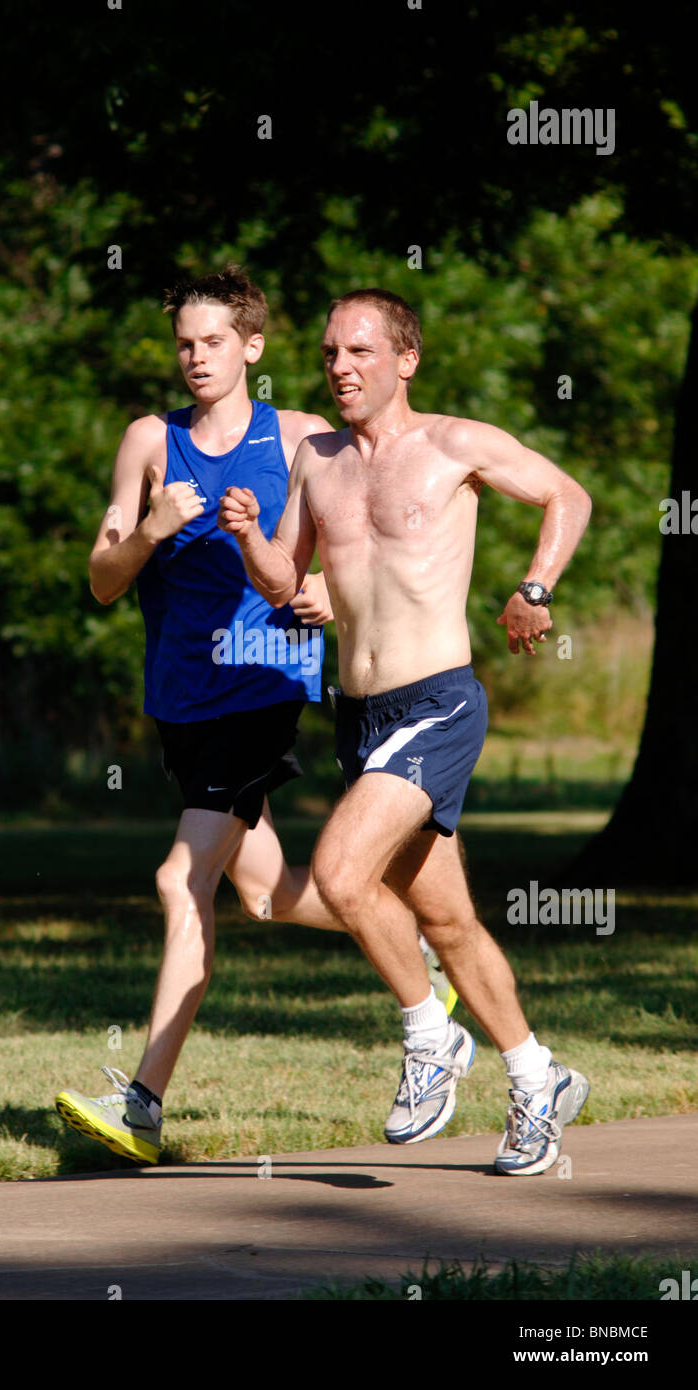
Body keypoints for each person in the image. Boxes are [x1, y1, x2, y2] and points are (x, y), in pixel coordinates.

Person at [54, 268, 451, 1166]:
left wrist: (316, 590)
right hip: (181, 697)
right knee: (267, 894)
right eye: (184, 344)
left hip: (264, 682)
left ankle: (144, 1104)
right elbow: (102, 579)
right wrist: (150, 529)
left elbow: (364, 547)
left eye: (213, 342)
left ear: (252, 348)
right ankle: (417, 951)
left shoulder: (304, 438)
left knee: (177, 879)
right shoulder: (149, 441)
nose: (196, 358)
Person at [218, 288, 593, 1176]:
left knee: (343, 876)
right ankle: (535, 1076)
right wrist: (245, 538)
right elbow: (285, 580)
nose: (340, 369)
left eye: (359, 353)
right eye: (329, 356)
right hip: (361, 715)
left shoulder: (454, 445)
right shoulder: (315, 459)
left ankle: (431, 1038)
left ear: (404, 360)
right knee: (449, 921)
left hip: (437, 702)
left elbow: (565, 497)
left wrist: (534, 588)